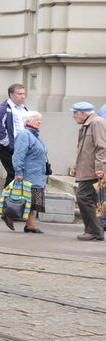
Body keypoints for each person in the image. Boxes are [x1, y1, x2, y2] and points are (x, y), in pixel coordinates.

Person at [70, 102, 106, 241]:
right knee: (90, 199)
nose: (73, 116)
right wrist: (76, 166)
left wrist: (99, 167)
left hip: (93, 170)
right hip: (88, 169)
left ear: (82, 113)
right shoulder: (88, 124)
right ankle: (95, 230)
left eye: (75, 113)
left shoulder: (96, 123)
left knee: (83, 197)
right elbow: (84, 149)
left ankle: (94, 230)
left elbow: (102, 146)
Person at [8, 111, 47, 233]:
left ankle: (29, 223)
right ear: (28, 121)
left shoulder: (35, 136)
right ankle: (10, 215)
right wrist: (18, 171)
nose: (39, 121)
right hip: (29, 174)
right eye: (36, 119)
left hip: (38, 174)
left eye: (40, 119)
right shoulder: (25, 134)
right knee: (27, 199)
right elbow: (18, 155)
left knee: (35, 200)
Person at [0, 84, 28, 190]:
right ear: (11, 94)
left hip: (21, 147)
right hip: (8, 148)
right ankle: (7, 201)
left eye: (24, 93)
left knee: (18, 173)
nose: (23, 96)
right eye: (19, 94)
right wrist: (9, 145)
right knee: (13, 172)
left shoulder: (23, 109)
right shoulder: (2, 109)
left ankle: (14, 200)